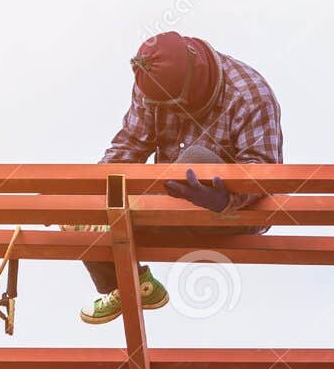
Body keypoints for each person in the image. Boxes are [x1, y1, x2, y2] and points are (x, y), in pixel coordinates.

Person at [79, 31, 283, 324]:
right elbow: (129, 147)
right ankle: (130, 285)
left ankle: (128, 211)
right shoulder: (150, 87)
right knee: (96, 211)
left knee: (195, 160)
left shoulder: (250, 96)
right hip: (168, 205)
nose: (171, 113)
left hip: (233, 214)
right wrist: (86, 196)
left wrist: (226, 198)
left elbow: (264, 172)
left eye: (175, 105)